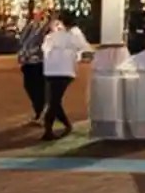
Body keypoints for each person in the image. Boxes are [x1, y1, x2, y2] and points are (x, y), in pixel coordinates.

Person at [40, 11, 90, 141]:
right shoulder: (54, 33)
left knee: (53, 101)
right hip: (52, 69)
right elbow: (45, 46)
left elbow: (83, 47)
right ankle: (65, 124)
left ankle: (49, 129)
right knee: (54, 100)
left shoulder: (73, 33)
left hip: (63, 70)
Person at [16, 10, 52, 124]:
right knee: (29, 86)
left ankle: (43, 114)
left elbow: (43, 43)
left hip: (39, 62)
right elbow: (22, 40)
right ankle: (39, 112)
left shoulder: (47, 28)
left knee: (39, 88)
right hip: (28, 62)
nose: (37, 15)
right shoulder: (31, 26)